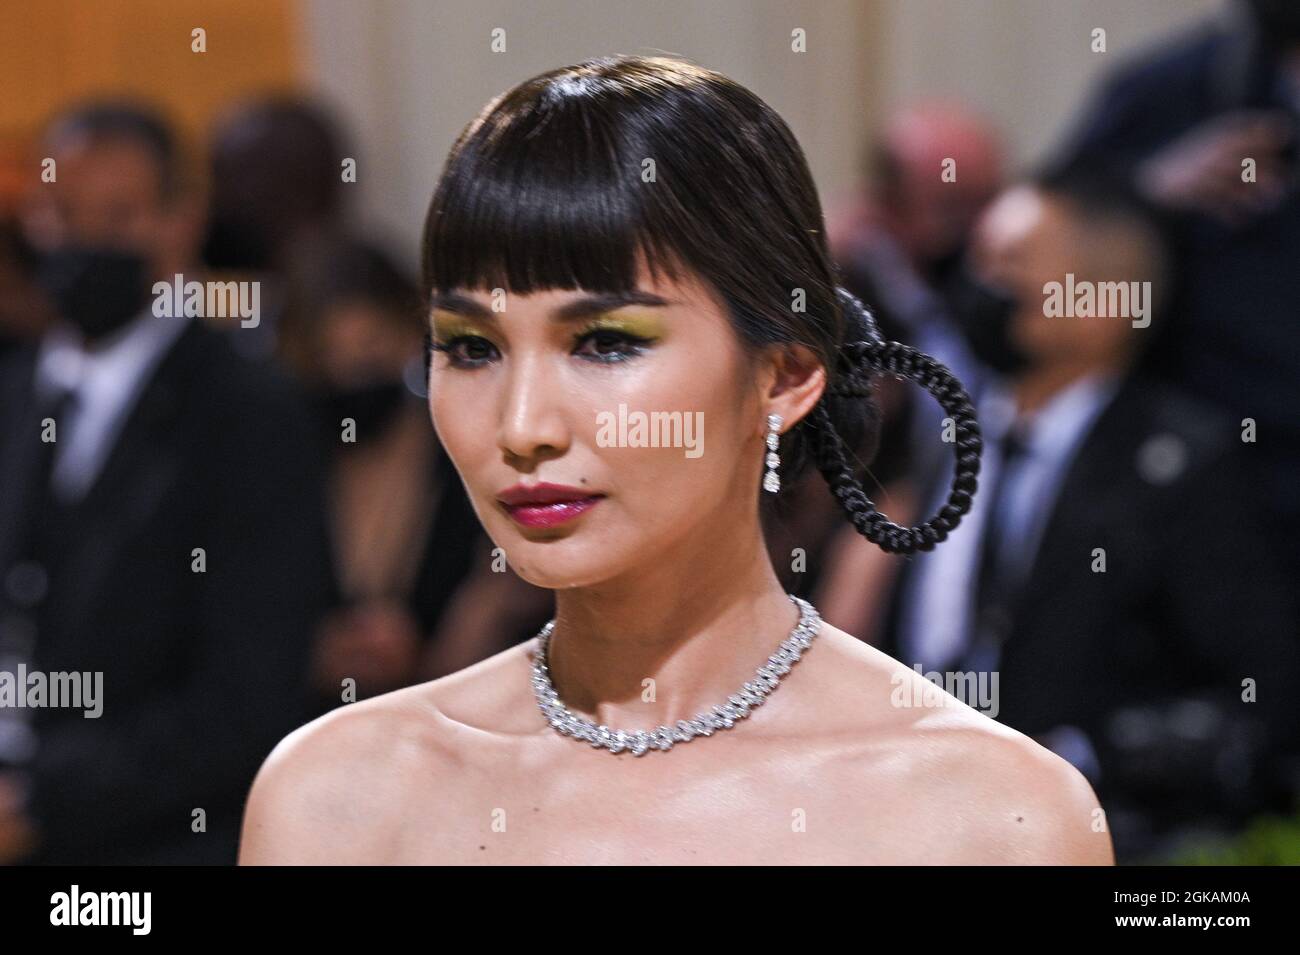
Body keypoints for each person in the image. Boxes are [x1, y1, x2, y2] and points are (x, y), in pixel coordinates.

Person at [238, 55, 1113, 865]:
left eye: (608, 341)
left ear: (786, 373)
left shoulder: (995, 816)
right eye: (471, 348)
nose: (523, 424)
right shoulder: (336, 794)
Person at [876, 169, 1299, 861]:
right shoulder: (949, 435)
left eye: (1010, 264)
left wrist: (1082, 755)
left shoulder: (1180, 463)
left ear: (1103, 304)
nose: (981, 285)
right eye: (981, 259)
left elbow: (1259, 694)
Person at [0, 100, 331, 863]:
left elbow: (247, 697)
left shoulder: (249, 414)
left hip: (162, 845)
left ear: (182, 222)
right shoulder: (14, 394)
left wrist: (42, 799)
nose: (81, 243)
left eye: (117, 217)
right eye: (58, 212)